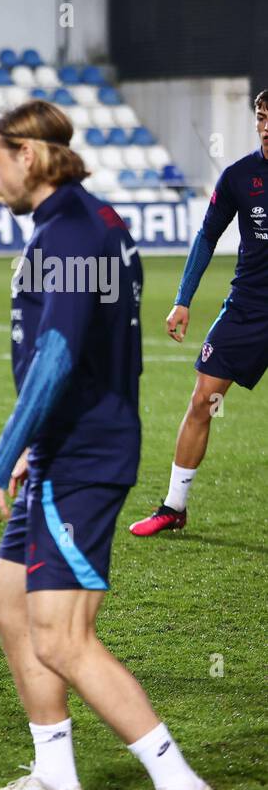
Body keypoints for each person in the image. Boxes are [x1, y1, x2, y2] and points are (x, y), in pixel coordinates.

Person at [0, 101, 219, 790]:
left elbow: (56, 357)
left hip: (83, 452)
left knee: (61, 637)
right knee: (8, 604)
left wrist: (3, 455)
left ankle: (181, 786)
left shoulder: (73, 234)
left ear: (31, 158)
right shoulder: (84, 221)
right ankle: (55, 775)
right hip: (68, 447)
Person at [130, 89, 268, 535]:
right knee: (202, 400)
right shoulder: (239, 177)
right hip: (247, 308)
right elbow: (207, 236)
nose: (265, 126)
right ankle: (174, 506)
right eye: (261, 117)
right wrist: (182, 299)